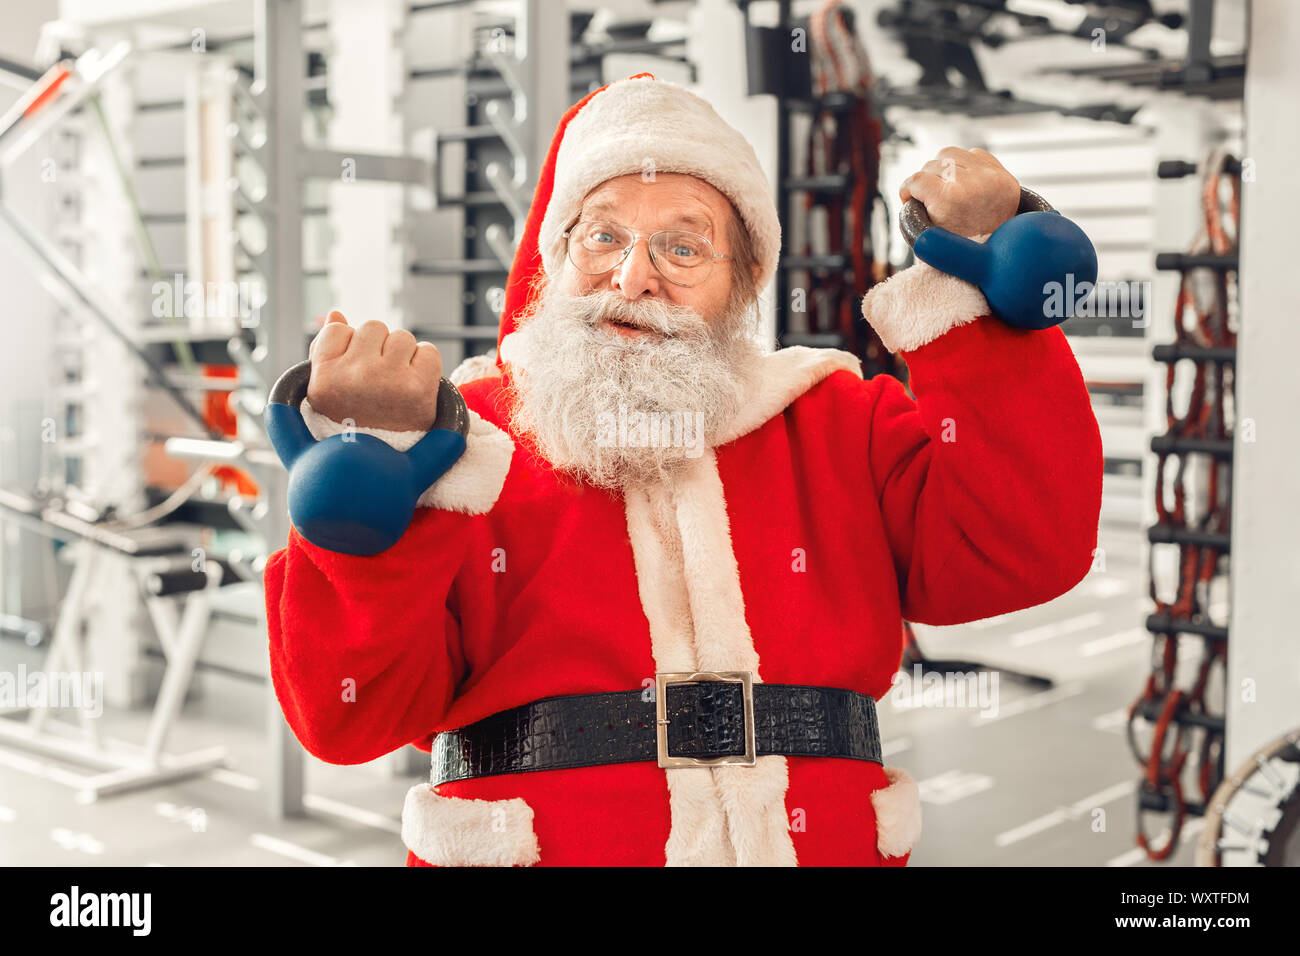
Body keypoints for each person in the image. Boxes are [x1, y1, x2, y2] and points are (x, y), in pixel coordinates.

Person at [263, 74, 1103, 866]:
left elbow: (1025, 548)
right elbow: (349, 717)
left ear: (743, 286)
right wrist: (364, 492)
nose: (633, 277)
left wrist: (977, 306)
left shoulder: (834, 419)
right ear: (556, 259)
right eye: (603, 236)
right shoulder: (460, 440)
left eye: (683, 248)